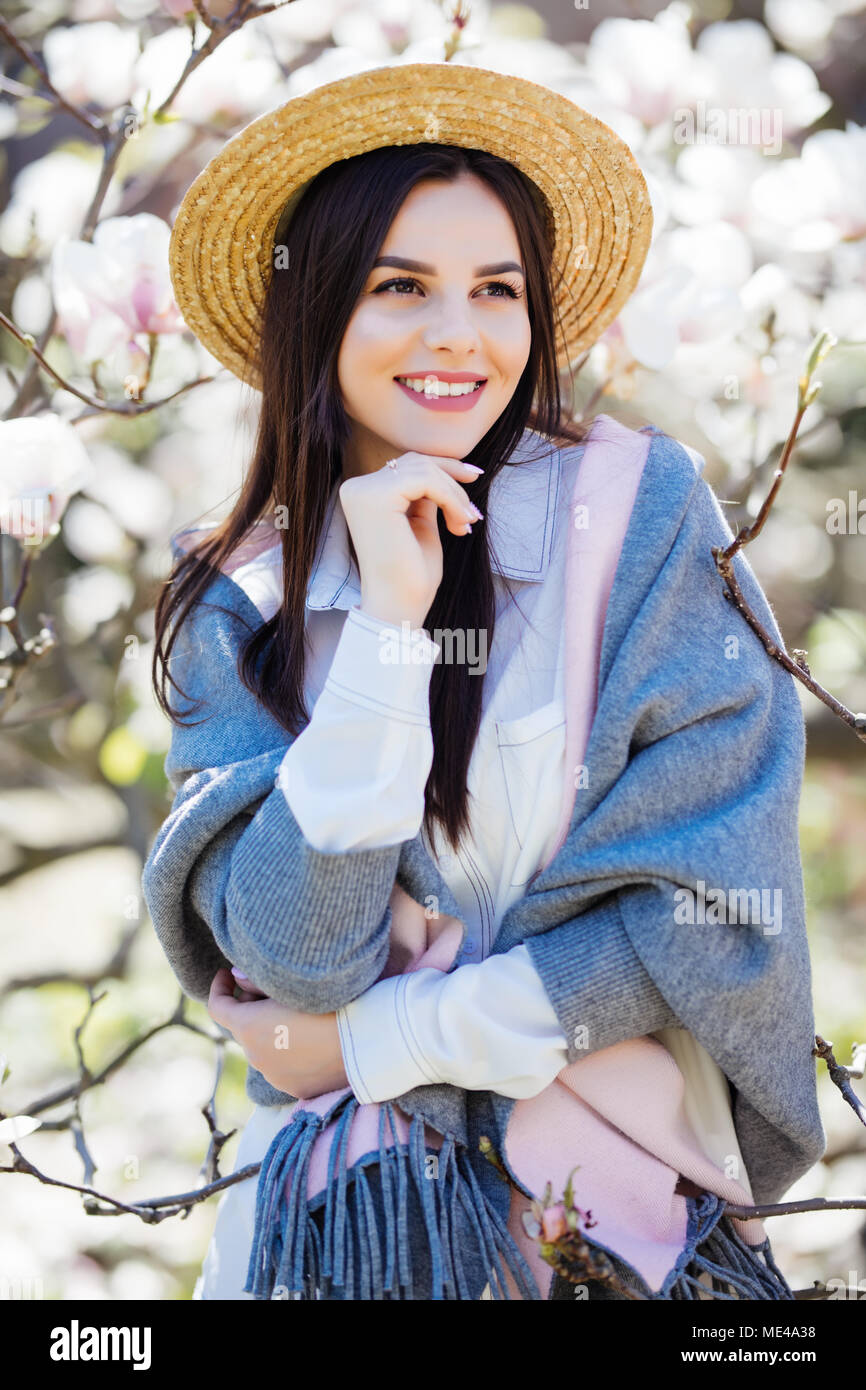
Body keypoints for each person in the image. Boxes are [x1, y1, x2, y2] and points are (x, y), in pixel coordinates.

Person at [142, 61, 825, 1301]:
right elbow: (299, 956)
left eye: (496, 290)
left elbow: (706, 911)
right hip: (338, 1235)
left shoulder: (639, 519)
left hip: (607, 1234)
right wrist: (389, 636)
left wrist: (381, 1040)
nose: (458, 333)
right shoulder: (236, 604)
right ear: (317, 309)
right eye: (400, 286)